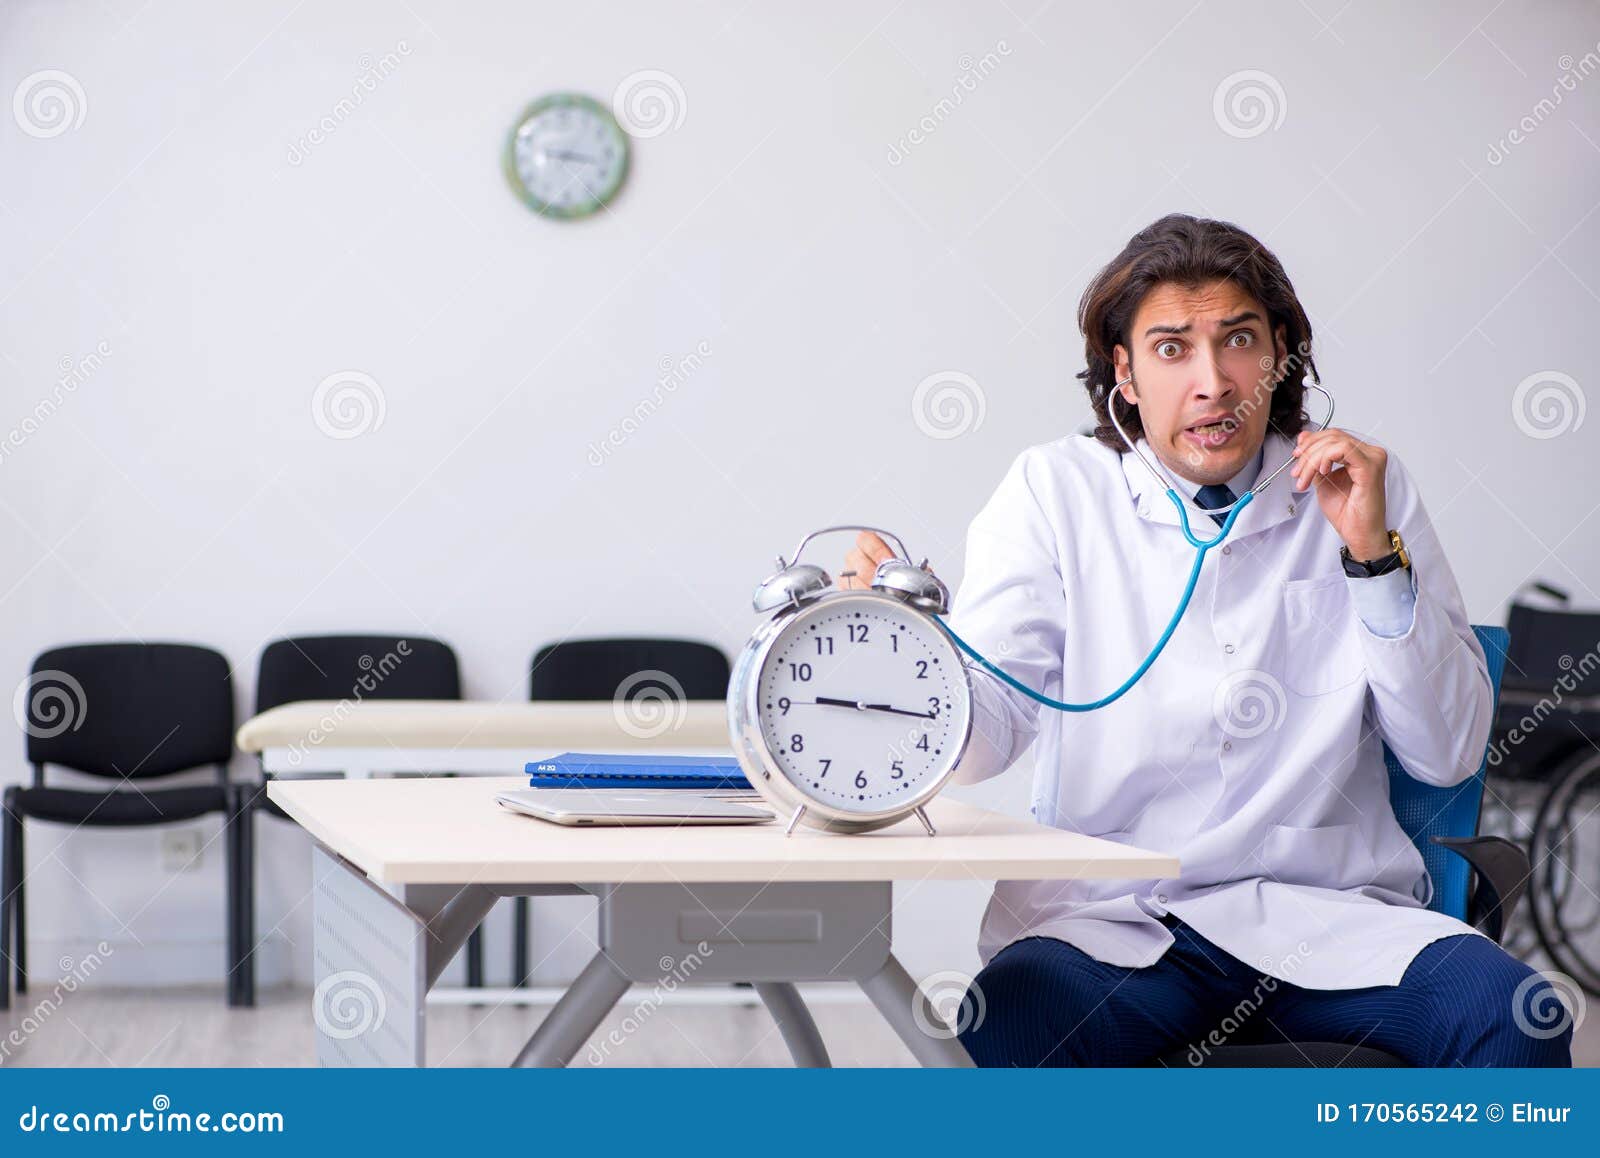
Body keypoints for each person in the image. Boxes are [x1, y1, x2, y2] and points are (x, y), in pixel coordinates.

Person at [840, 214, 1572, 1067]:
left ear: (1280, 356)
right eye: (1172, 348)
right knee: (1016, 1021)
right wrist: (904, 649)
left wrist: (1372, 558)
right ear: (1124, 370)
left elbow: (1446, 755)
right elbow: (983, 740)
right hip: (1116, 920)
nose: (1213, 381)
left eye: (1239, 341)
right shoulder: (1056, 492)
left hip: (1325, 918)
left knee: (1514, 1016)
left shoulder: (1362, 488)